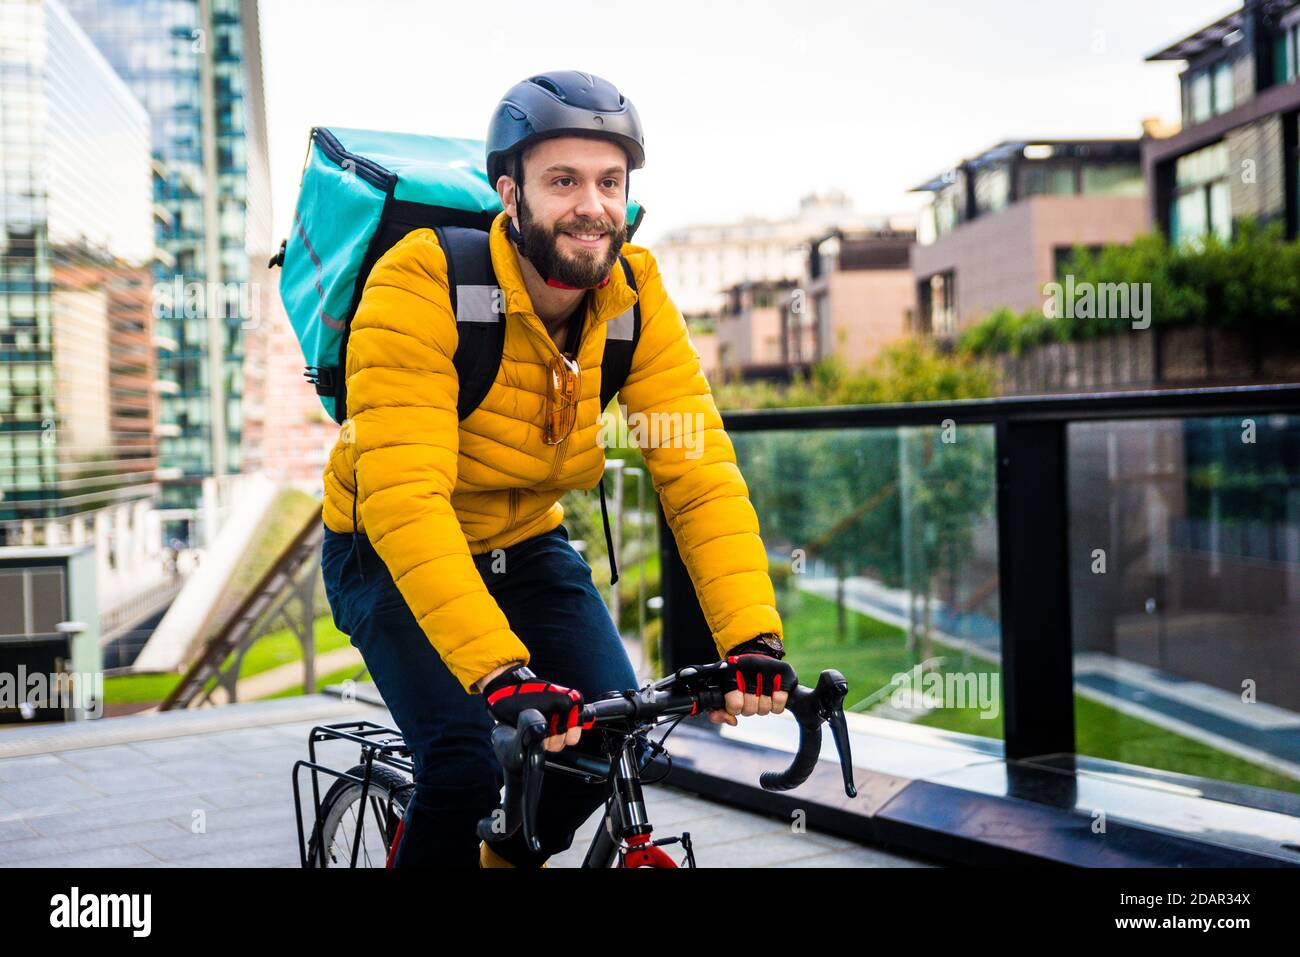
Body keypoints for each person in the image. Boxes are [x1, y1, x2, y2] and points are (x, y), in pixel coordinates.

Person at [319, 70, 792, 868]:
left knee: (606, 744)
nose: (592, 205)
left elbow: (697, 469)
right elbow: (406, 499)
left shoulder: (635, 299)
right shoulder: (421, 281)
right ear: (510, 193)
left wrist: (751, 637)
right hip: (386, 549)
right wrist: (500, 671)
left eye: (611, 181)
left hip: (527, 543)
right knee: (465, 764)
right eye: (563, 180)